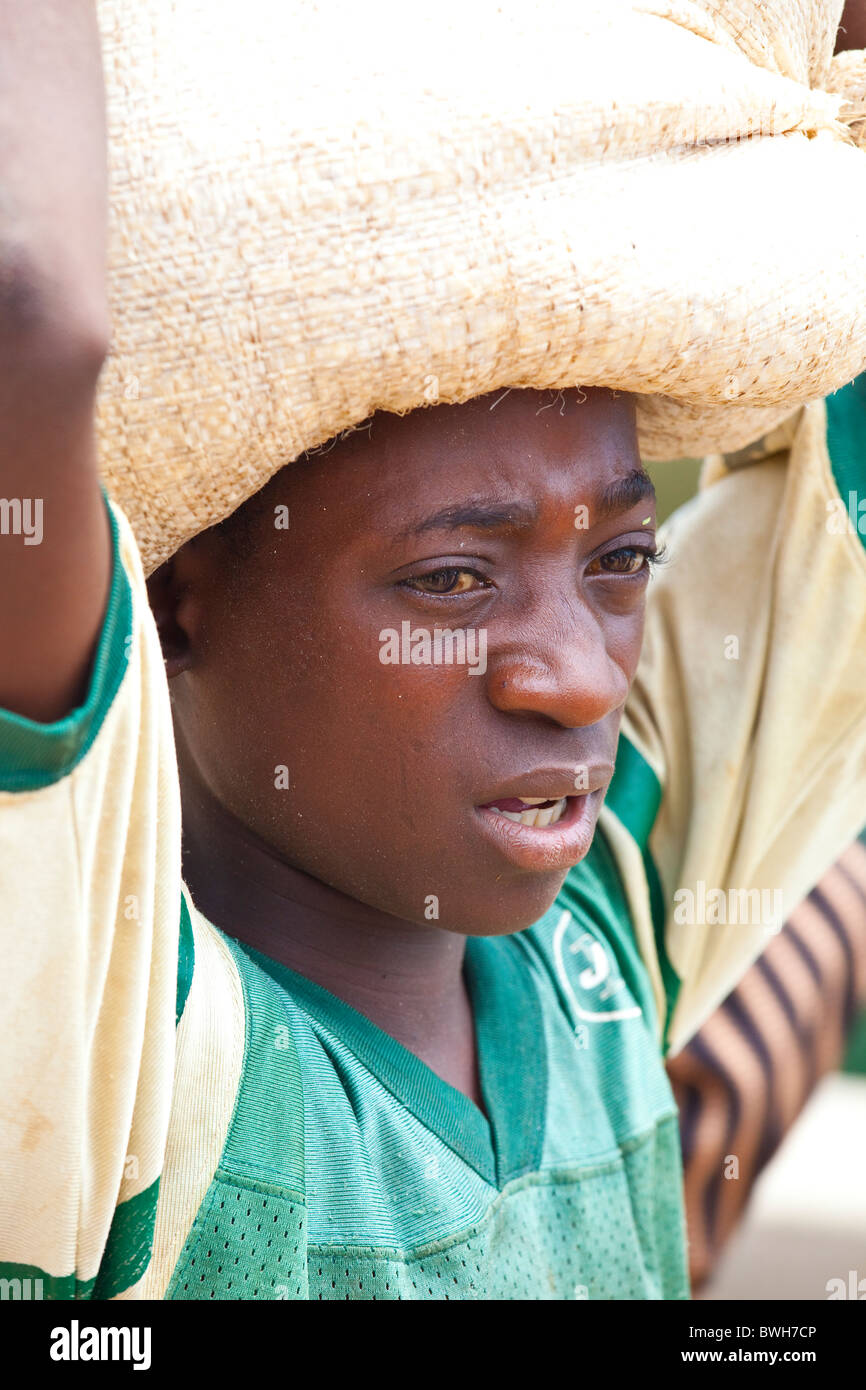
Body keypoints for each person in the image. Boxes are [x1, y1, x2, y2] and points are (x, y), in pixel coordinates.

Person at [2, 1, 866, 1300]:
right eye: (453, 580)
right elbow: (30, 311)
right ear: (176, 592)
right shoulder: (124, 1078)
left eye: (619, 561)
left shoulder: (608, 941)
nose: (578, 678)